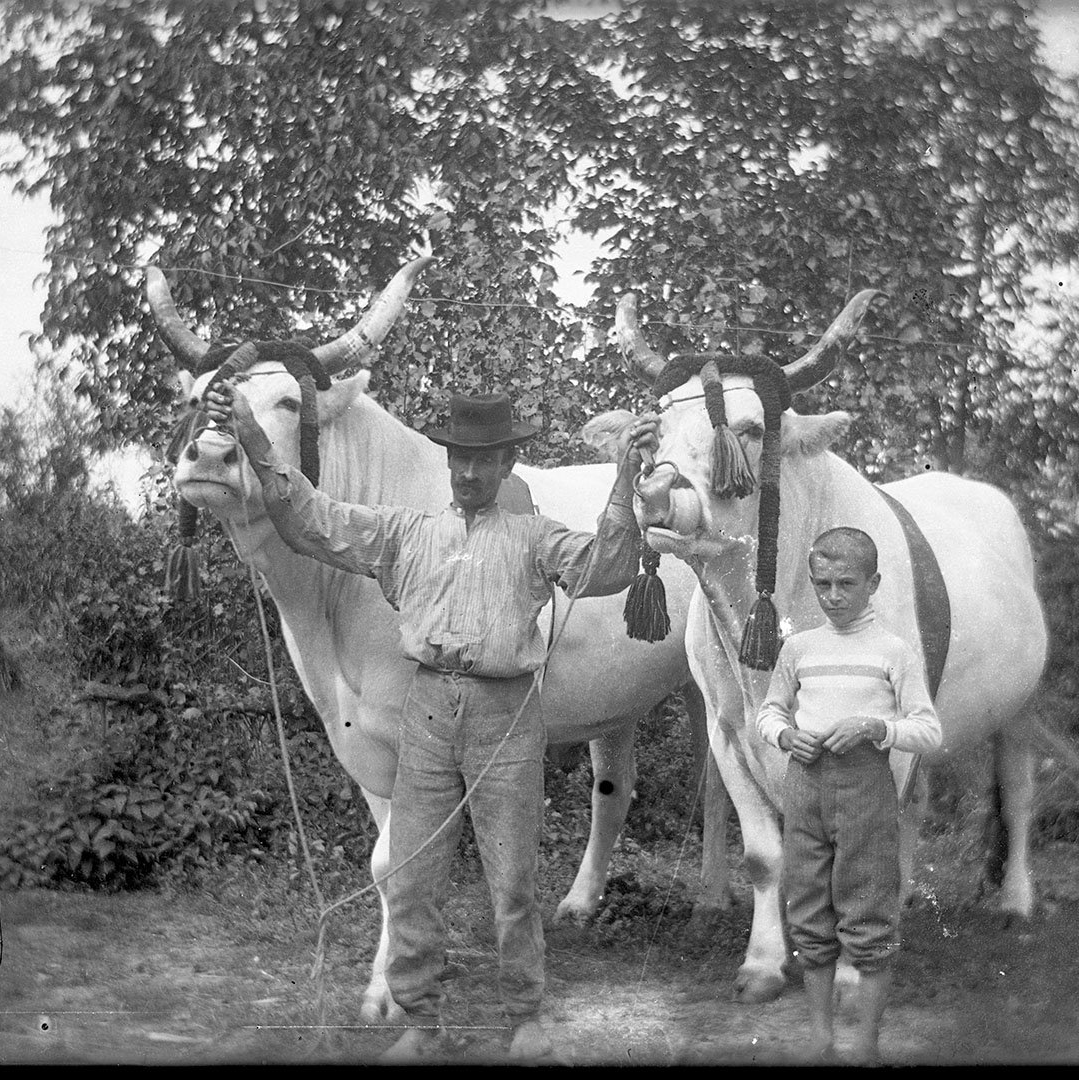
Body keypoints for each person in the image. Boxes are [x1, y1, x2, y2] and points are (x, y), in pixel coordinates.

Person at [205, 382, 658, 1064]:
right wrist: (253, 438)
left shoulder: (537, 539)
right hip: (426, 710)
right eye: (460, 458)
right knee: (413, 877)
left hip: (505, 712)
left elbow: (610, 567)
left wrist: (624, 480)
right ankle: (420, 1023)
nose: (470, 472)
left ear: (508, 464)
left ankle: (525, 1019)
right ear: (448, 462)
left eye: (486, 460)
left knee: (512, 880)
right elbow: (307, 519)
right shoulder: (405, 533)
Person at [755, 526, 942, 1066]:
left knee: (868, 913)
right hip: (805, 785)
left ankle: (865, 1044)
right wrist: (785, 736)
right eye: (823, 584)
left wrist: (875, 728)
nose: (833, 596)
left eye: (846, 584)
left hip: (865, 789)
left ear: (873, 583)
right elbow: (769, 712)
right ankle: (820, 1039)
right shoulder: (798, 648)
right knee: (808, 911)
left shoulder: (893, 651)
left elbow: (928, 731)